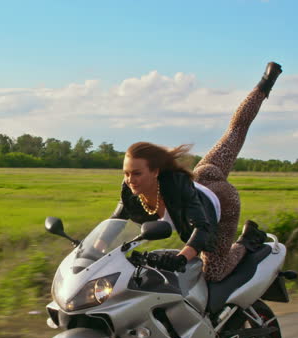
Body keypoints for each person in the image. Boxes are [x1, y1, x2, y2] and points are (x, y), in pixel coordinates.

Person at [111, 62, 282, 282]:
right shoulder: (131, 189)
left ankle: (248, 240)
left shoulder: (177, 187)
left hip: (223, 200)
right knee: (234, 133)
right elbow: (113, 224)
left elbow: (202, 228)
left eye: (136, 173)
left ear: (155, 171)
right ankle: (267, 81)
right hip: (203, 174)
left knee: (212, 272)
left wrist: (182, 258)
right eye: (126, 173)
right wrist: (88, 254)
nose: (129, 180)